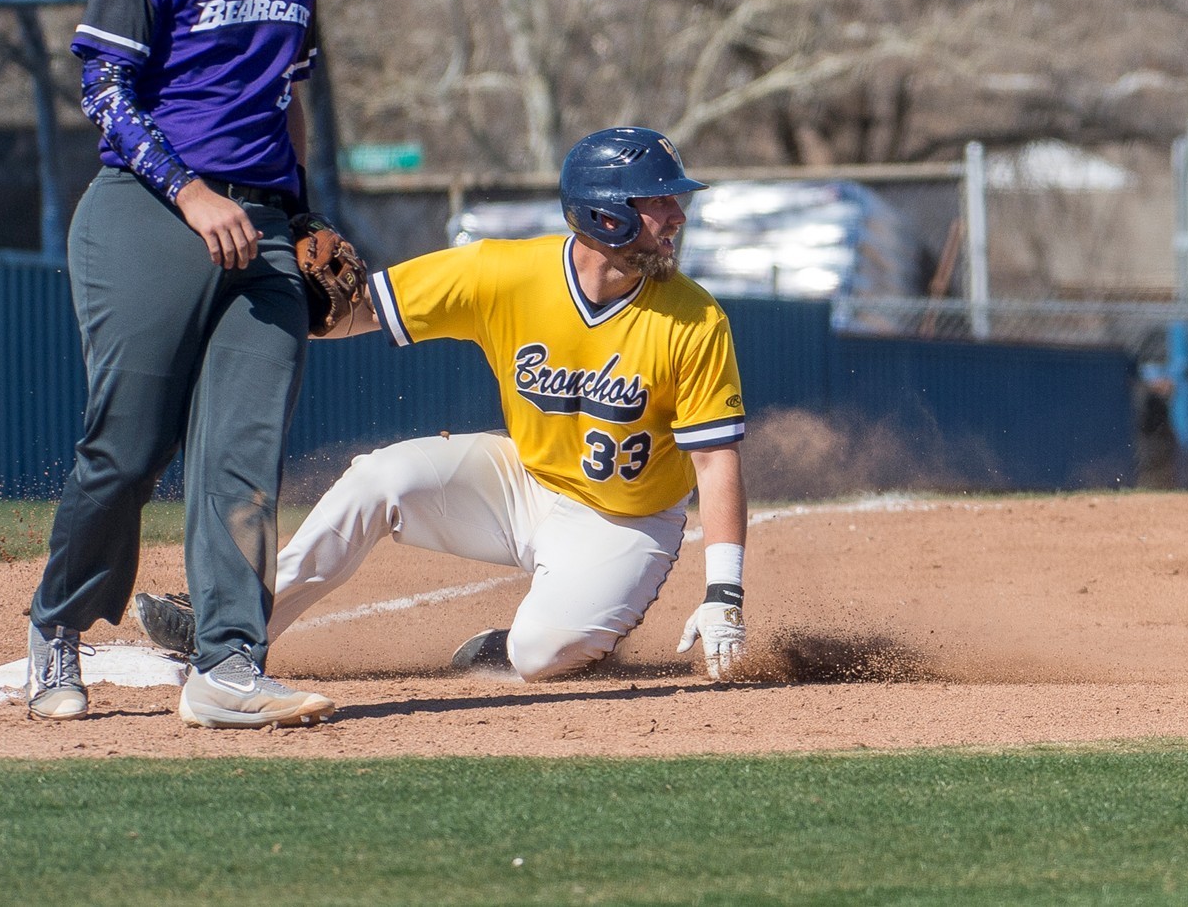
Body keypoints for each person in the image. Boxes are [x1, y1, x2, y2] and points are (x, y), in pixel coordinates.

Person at [136, 126, 751, 685]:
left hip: (626, 518)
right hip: (524, 480)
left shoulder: (694, 319)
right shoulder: (503, 272)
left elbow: (716, 461)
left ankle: (527, 642)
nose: (676, 215)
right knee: (380, 478)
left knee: (540, 656)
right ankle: (233, 628)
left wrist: (724, 592)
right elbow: (363, 309)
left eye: (675, 201)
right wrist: (281, 305)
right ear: (606, 213)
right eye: (659, 201)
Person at [25, 0, 347, 729]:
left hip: (264, 223)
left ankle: (227, 662)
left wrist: (306, 211)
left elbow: (288, 101)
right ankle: (58, 622)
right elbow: (107, 101)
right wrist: (191, 190)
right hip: (148, 208)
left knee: (243, 451)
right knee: (128, 448)